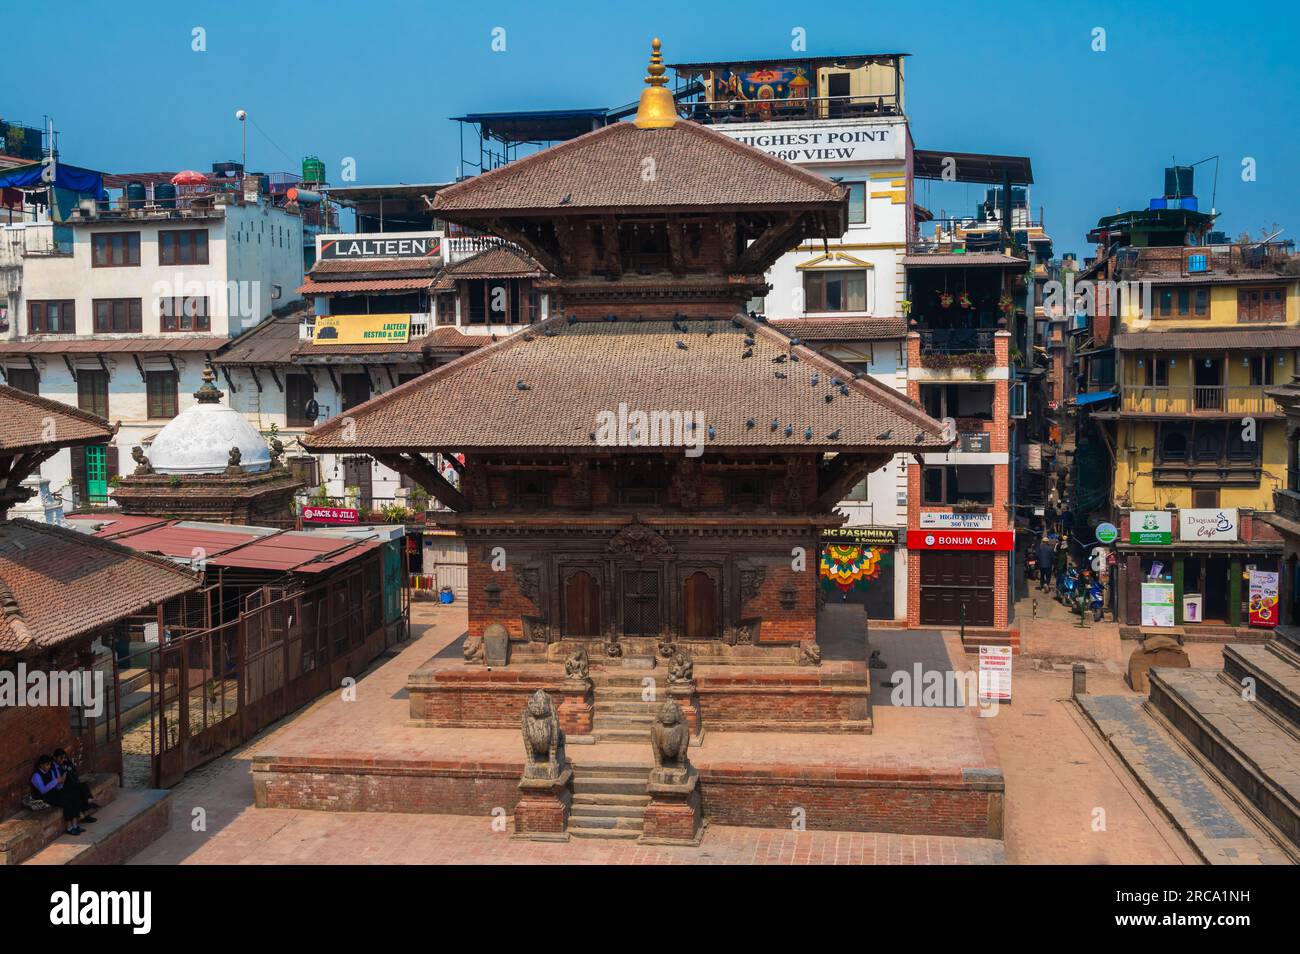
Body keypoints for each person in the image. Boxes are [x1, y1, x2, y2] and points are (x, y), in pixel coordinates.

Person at [30, 754, 95, 836]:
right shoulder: (36, 776)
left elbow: (57, 786)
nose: (49, 766)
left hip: (55, 793)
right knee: (66, 802)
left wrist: (61, 781)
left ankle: (75, 825)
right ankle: (69, 827)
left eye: (50, 764)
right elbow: (43, 790)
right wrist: (56, 781)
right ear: (41, 765)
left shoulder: (51, 771)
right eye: (47, 765)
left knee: (74, 796)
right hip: (46, 797)